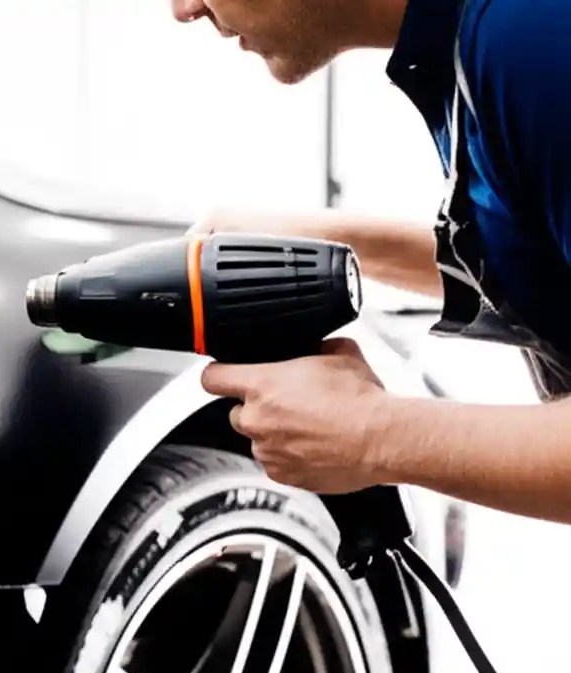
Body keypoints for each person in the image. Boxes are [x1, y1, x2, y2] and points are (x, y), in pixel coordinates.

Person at [170, 0, 571, 524]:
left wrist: (373, 433)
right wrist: (331, 240)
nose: (184, 8)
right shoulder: (481, 39)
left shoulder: (535, 38)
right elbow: (537, 256)